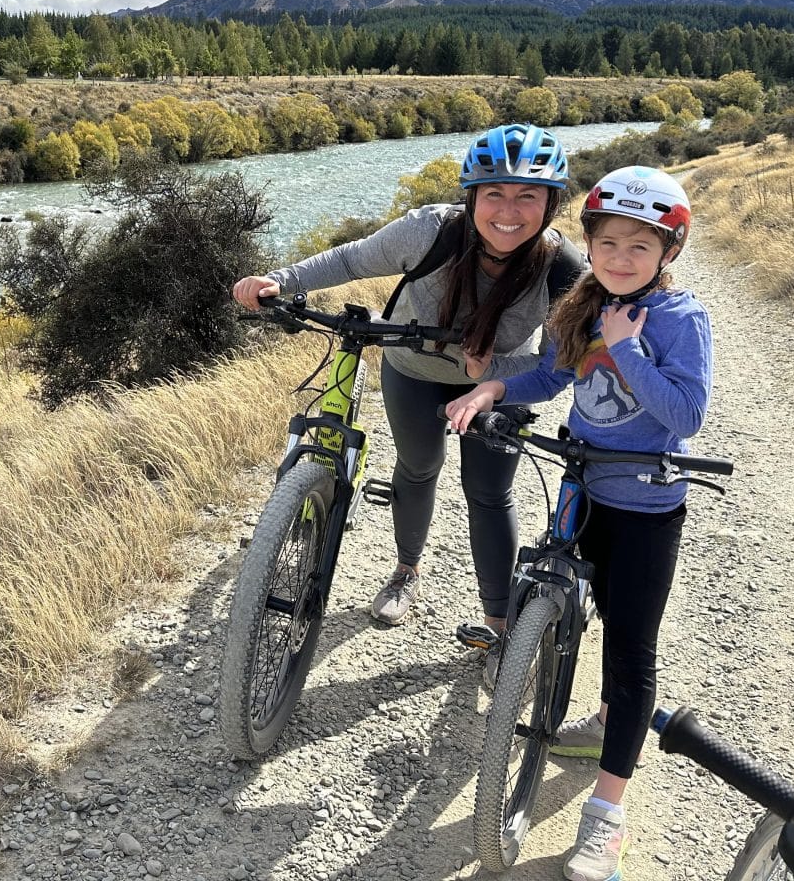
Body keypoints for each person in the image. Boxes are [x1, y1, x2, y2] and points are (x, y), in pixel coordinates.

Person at [231, 123, 585, 686]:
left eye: (528, 196)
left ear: (551, 203)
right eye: (494, 193)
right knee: (417, 469)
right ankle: (405, 571)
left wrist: (490, 373)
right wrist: (278, 280)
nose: (509, 211)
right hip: (412, 373)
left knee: (489, 494)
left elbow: (558, 366)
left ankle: (500, 627)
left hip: (497, 392)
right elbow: (352, 261)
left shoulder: (563, 271)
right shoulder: (431, 231)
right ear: (471, 196)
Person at [443, 165, 711, 881]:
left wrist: (626, 348)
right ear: (588, 244)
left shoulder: (679, 320)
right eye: (608, 243)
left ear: (667, 254)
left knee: (631, 652)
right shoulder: (586, 305)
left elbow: (685, 414)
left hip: (647, 506)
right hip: (581, 482)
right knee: (556, 599)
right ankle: (561, 671)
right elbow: (554, 378)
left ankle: (605, 819)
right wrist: (496, 385)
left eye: (639, 247)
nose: (620, 259)